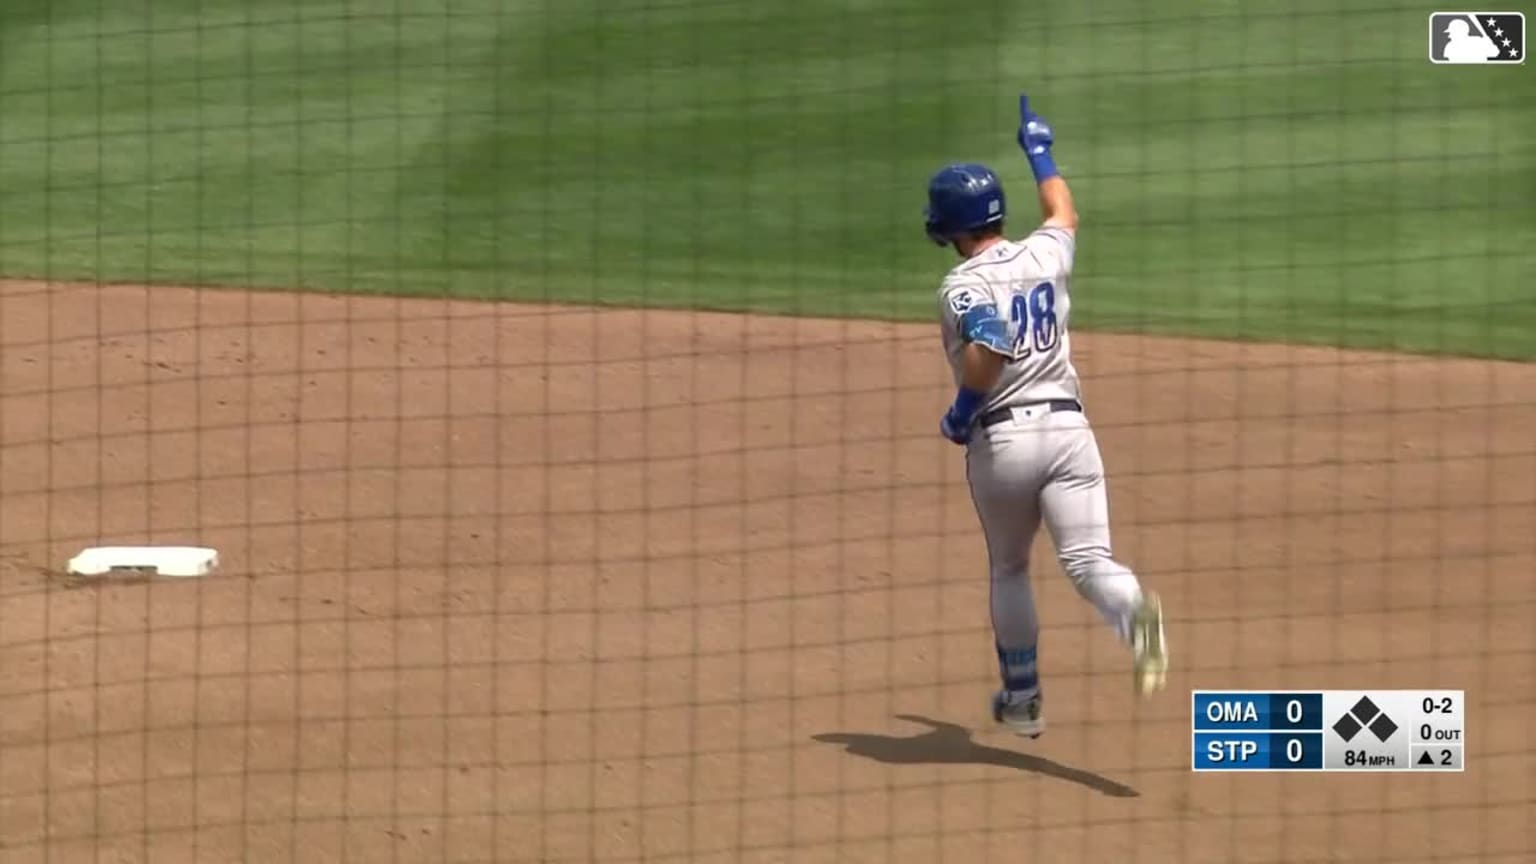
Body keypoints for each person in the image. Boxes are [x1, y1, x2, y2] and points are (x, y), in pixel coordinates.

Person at [925, 93, 1168, 738]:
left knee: (1009, 567)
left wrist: (961, 409)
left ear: (948, 227)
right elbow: (1065, 210)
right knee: (1089, 562)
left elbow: (990, 348)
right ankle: (1133, 606)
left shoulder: (961, 285)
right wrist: (1040, 151)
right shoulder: (1046, 253)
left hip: (1004, 445)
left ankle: (1024, 699)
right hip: (1069, 432)